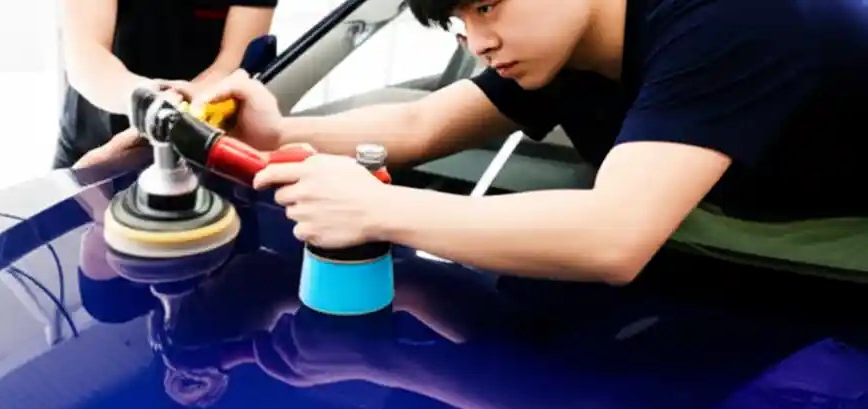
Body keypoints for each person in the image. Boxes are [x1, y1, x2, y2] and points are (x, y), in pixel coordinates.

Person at [82, 0, 868, 282]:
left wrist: (379, 214)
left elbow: (612, 237)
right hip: (725, 255)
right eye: (462, 22)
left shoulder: (731, 17)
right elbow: (422, 126)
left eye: (489, 5)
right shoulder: (567, 45)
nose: (478, 38)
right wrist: (284, 132)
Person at [53, 0, 277, 170]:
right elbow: (87, 57)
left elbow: (231, 65)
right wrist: (149, 101)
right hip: (94, 143)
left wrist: (179, 108)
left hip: (198, 143)